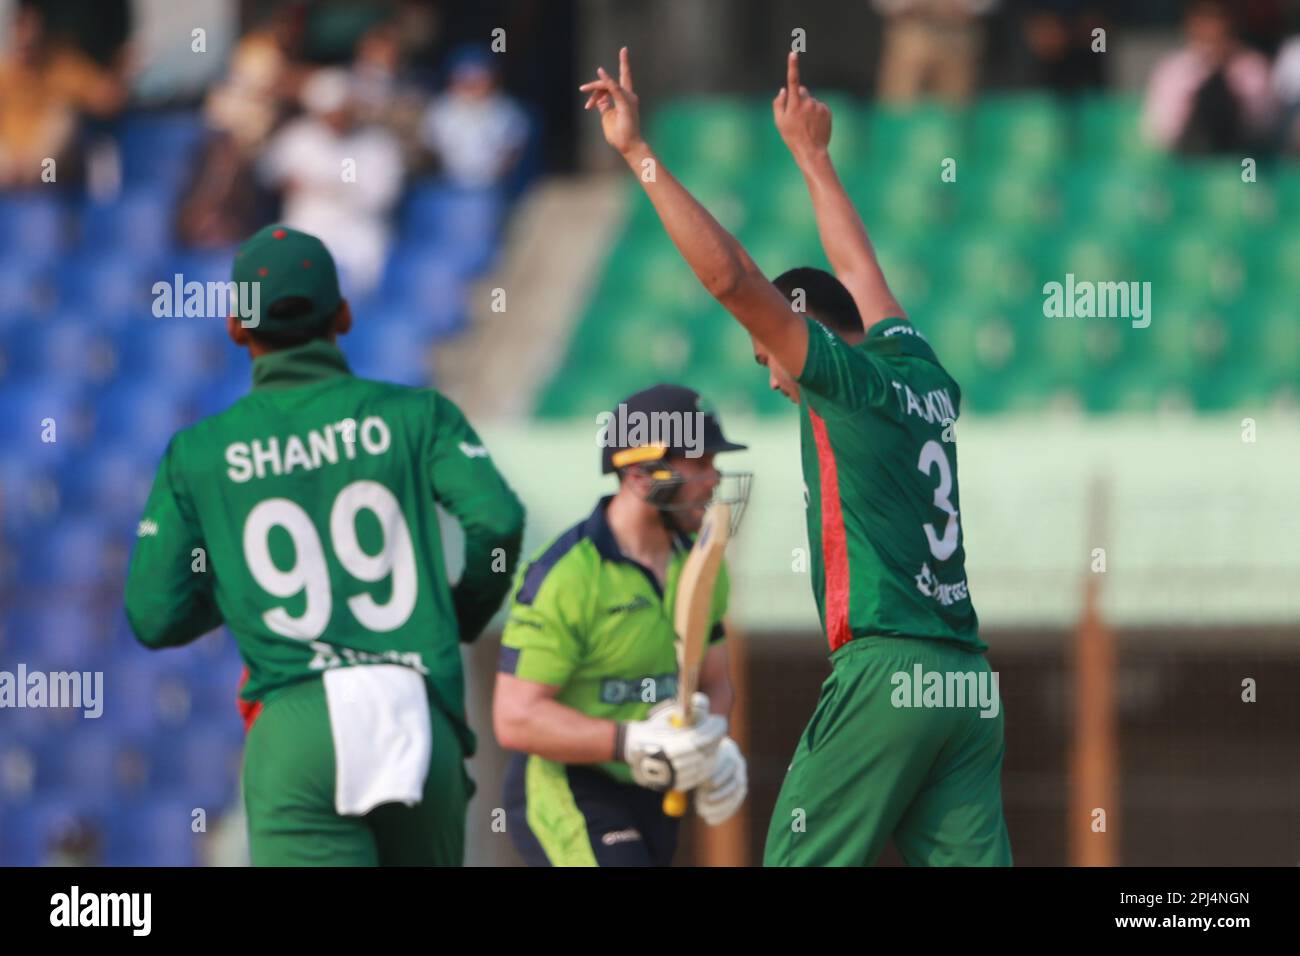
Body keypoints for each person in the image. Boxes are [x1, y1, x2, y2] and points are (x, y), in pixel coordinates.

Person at [581, 49, 1012, 866]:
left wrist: (639, 154)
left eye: (766, 354)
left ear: (803, 330)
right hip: (965, 683)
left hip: (888, 667)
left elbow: (733, 278)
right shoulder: (917, 370)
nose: (774, 378)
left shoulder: (840, 381)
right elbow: (860, 272)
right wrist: (812, 156)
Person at [124, 224, 525, 865]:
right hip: (416, 715)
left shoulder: (197, 454)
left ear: (235, 326)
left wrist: (233, 589)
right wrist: (463, 611)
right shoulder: (418, 416)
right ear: (342, 314)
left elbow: (154, 615)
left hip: (297, 724)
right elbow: (498, 523)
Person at [493, 384, 750, 866]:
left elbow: (716, 682)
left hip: (652, 793)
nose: (714, 478)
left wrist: (715, 742)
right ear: (638, 472)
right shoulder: (567, 577)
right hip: (569, 785)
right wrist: (631, 741)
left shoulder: (703, 565)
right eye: (698, 463)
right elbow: (515, 717)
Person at [259, 69, 404, 294]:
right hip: (307, 225)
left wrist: (336, 189)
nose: (335, 119)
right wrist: (288, 182)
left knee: (355, 291)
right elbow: (268, 172)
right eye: (328, 113)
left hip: (358, 231)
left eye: (341, 112)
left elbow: (383, 197)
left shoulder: (378, 145)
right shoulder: (298, 137)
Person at [1142, 0, 1275, 155]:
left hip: (1238, 161)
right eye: (1204, 18)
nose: (1213, 27)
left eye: (1218, 18)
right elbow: (1159, 131)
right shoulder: (1172, 69)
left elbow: (1263, 127)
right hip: (1186, 163)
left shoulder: (1254, 67)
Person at [421, 46, 528, 188]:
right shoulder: (440, 108)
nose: (471, 83)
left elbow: (513, 157)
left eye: (478, 77)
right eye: (464, 76)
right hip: (446, 185)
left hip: (494, 187)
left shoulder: (508, 111)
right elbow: (430, 153)